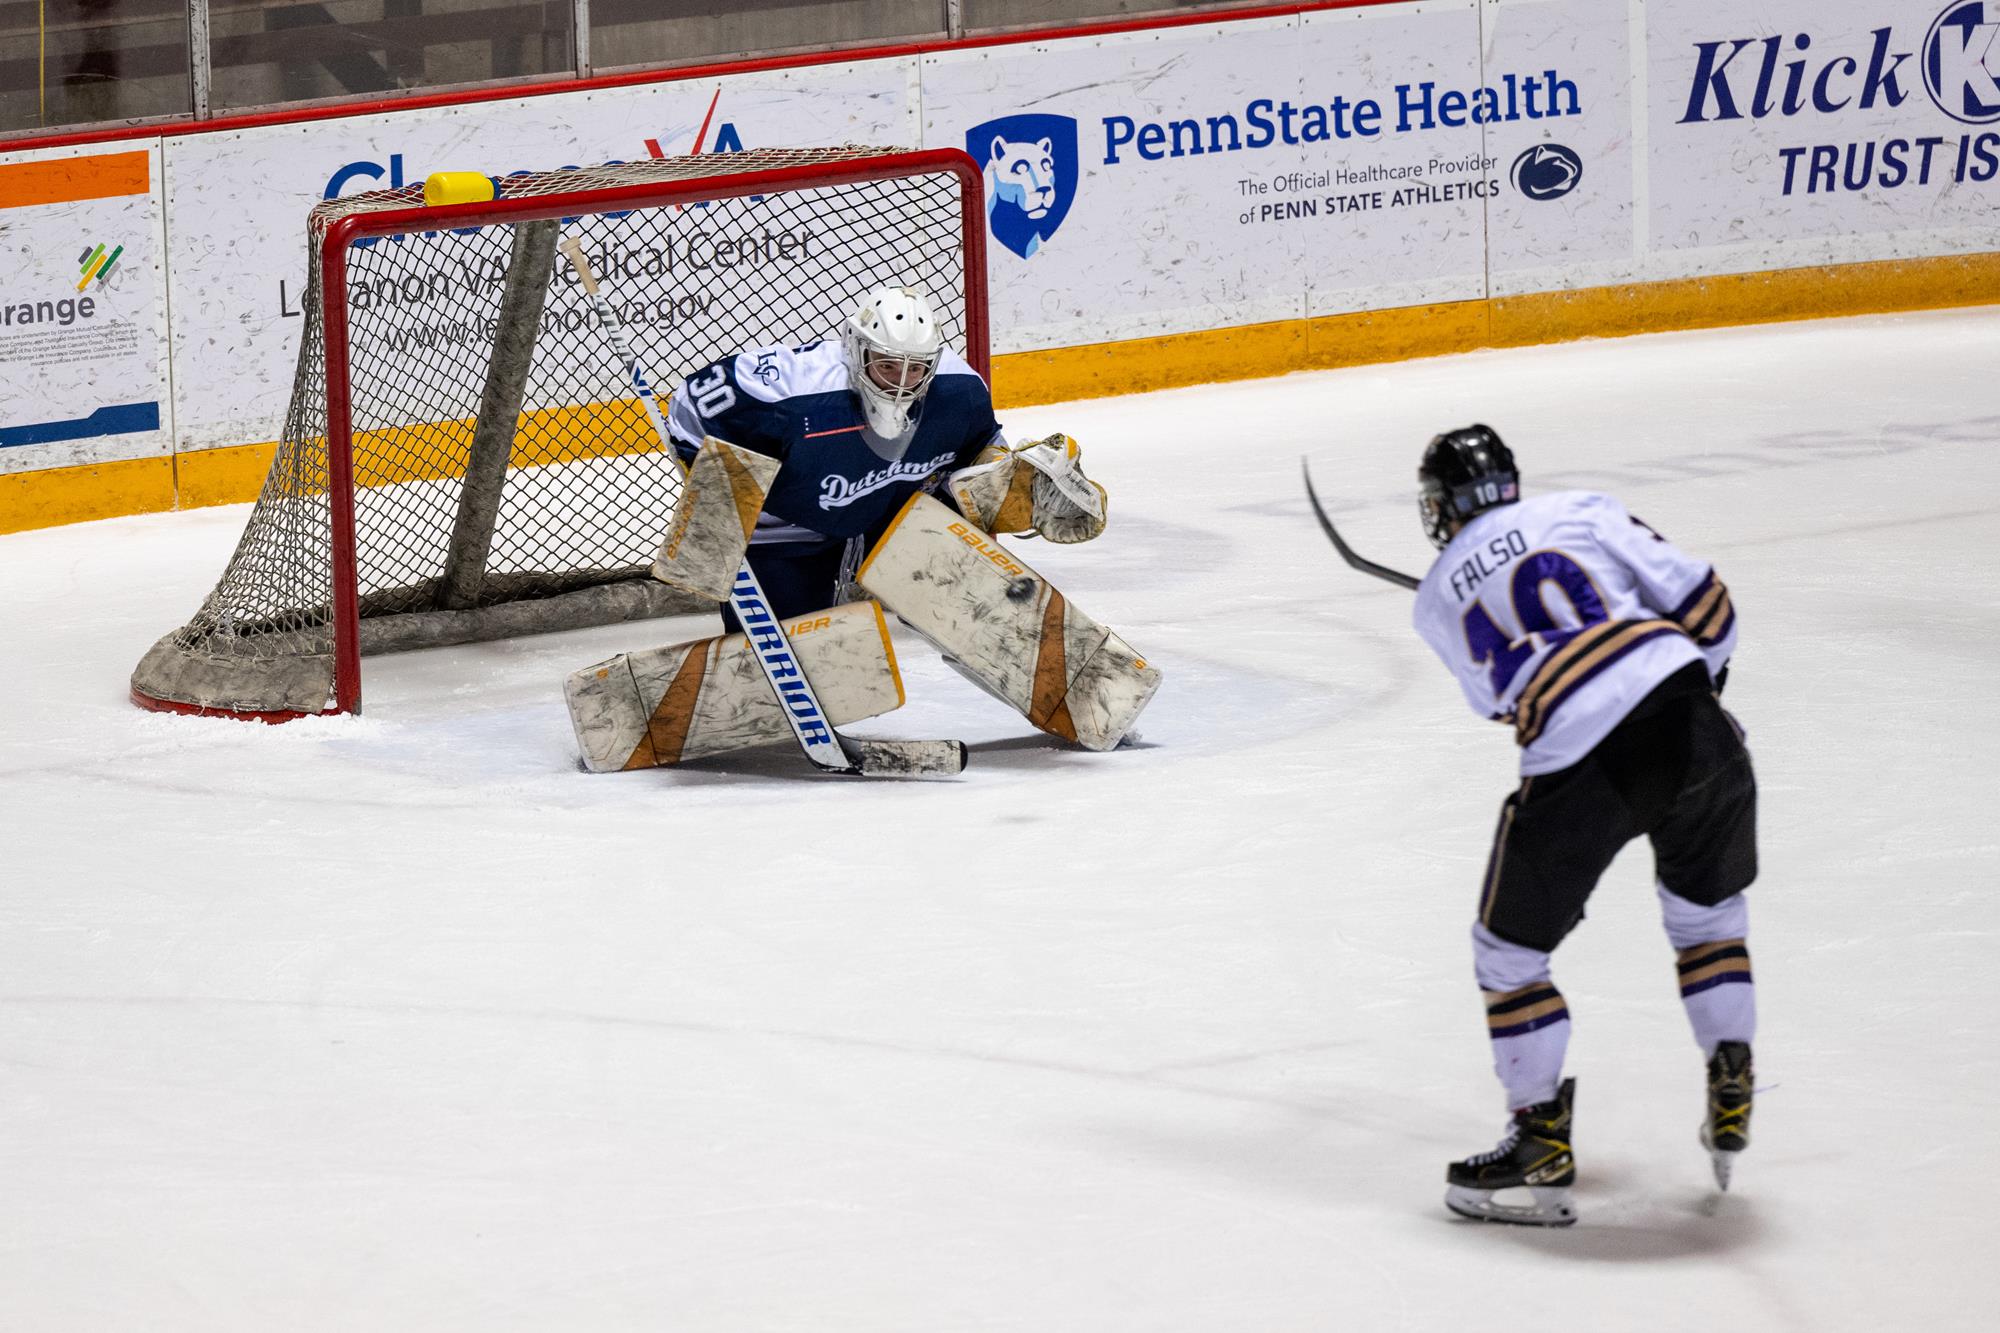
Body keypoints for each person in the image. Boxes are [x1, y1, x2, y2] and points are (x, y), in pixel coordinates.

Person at [1408, 425, 1756, 1228]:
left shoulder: (1435, 596)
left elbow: (1501, 701)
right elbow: (1708, 601)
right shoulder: (1581, 508)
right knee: (1708, 921)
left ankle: (1540, 1144)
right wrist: (1703, 680)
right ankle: (1731, 1072)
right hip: (1691, 720)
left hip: (1583, 764)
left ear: (1443, 506)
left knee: (1509, 954)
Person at [662, 284, 1107, 631]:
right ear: (857, 350)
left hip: (893, 515)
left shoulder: (959, 390)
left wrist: (1009, 483)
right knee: (782, 661)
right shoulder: (791, 388)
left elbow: (981, 450)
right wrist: (717, 493)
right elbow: (689, 408)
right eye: (888, 365)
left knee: (974, 606)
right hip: (788, 526)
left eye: (916, 369)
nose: (902, 382)